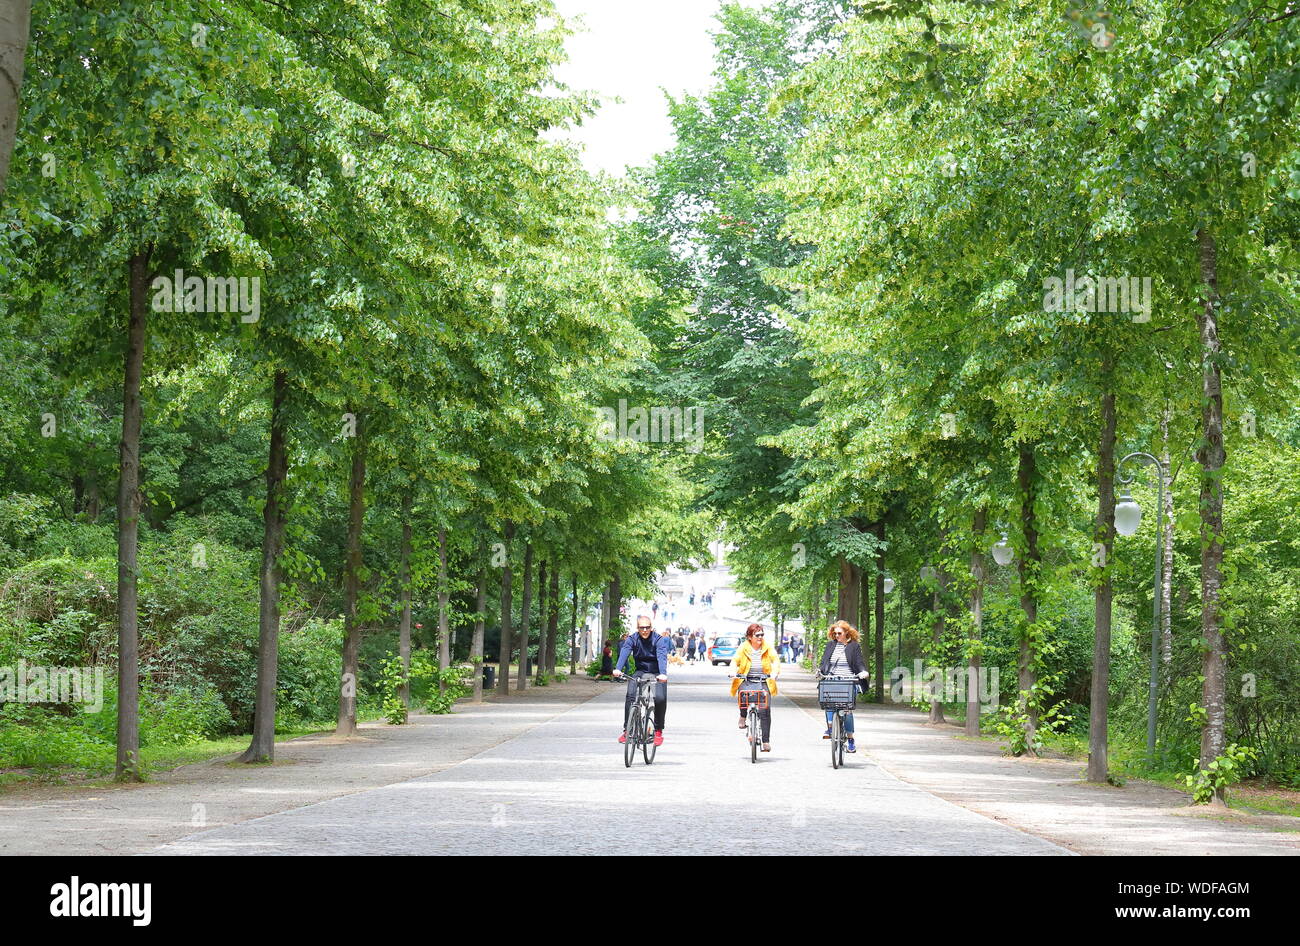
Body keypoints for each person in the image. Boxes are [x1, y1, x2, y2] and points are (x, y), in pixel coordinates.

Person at [614, 616, 671, 746]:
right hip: (640, 671)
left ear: (651, 627)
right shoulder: (632, 639)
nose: (645, 630)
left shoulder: (658, 640)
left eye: (647, 627)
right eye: (642, 628)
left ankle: (658, 731)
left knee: (660, 698)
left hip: (657, 672)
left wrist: (662, 673)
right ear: (637, 628)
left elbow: (662, 656)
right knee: (630, 695)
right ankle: (627, 730)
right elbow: (625, 652)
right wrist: (618, 668)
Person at [818, 620, 869, 753]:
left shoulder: (854, 646)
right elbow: (824, 661)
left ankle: (851, 739)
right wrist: (820, 672)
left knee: (847, 710)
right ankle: (830, 728)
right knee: (827, 702)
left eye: (839, 633)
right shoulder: (830, 645)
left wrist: (863, 672)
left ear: (846, 633)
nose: (837, 636)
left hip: (848, 680)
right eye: (835, 634)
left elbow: (859, 662)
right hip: (832, 679)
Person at [729, 623, 780, 752]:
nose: (760, 637)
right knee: (743, 696)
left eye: (762, 634)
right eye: (757, 635)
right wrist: (733, 672)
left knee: (765, 709)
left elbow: (775, 660)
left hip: (764, 681)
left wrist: (774, 673)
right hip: (746, 679)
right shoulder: (743, 647)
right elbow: (735, 661)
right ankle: (742, 715)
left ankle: (766, 741)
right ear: (750, 637)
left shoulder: (767, 647)